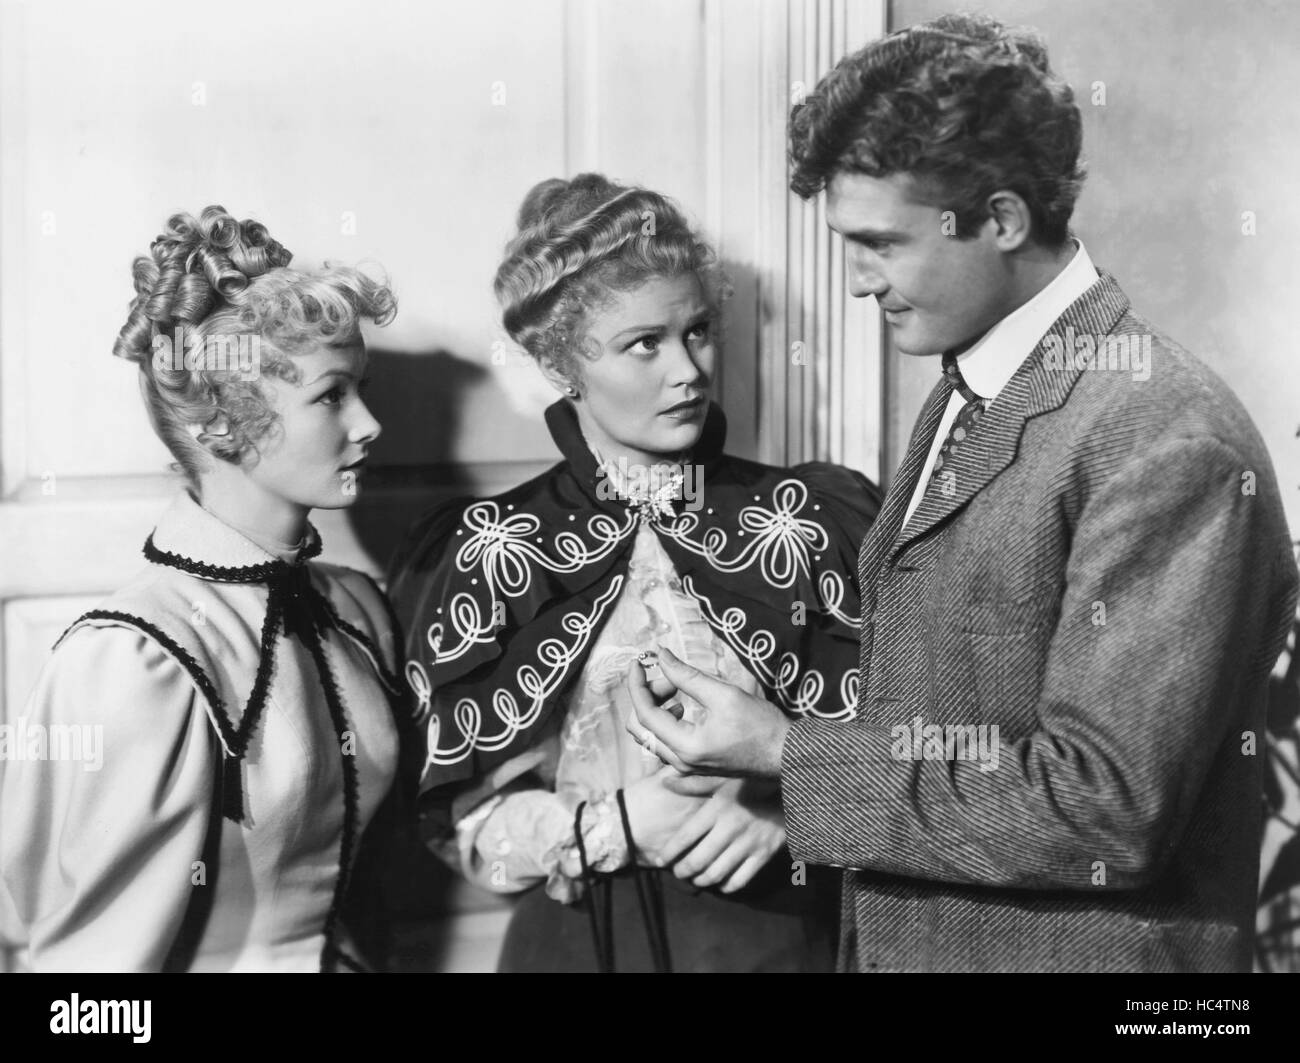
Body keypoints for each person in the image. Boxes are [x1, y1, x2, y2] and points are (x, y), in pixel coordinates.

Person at [627, 14, 1300, 972]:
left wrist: (791, 756)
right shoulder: (970, 383)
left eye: (880, 244)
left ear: (1001, 219)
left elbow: (1104, 809)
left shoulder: (1165, 437)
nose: (857, 280)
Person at [387, 174, 881, 972]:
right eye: (643, 343)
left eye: (698, 331)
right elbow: (472, 830)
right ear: (560, 361)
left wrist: (795, 805)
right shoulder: (493, 548)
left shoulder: (817, 517)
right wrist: (616, 823)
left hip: (788, 934)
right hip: (585, 943)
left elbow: (911, 750)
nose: (687, 370)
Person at [0, 205, 410, 972]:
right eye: (332, 395)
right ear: (224, 423)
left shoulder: (353, 608)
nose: (370, 423)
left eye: (362, 389)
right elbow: (84, 970)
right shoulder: (135, 658)